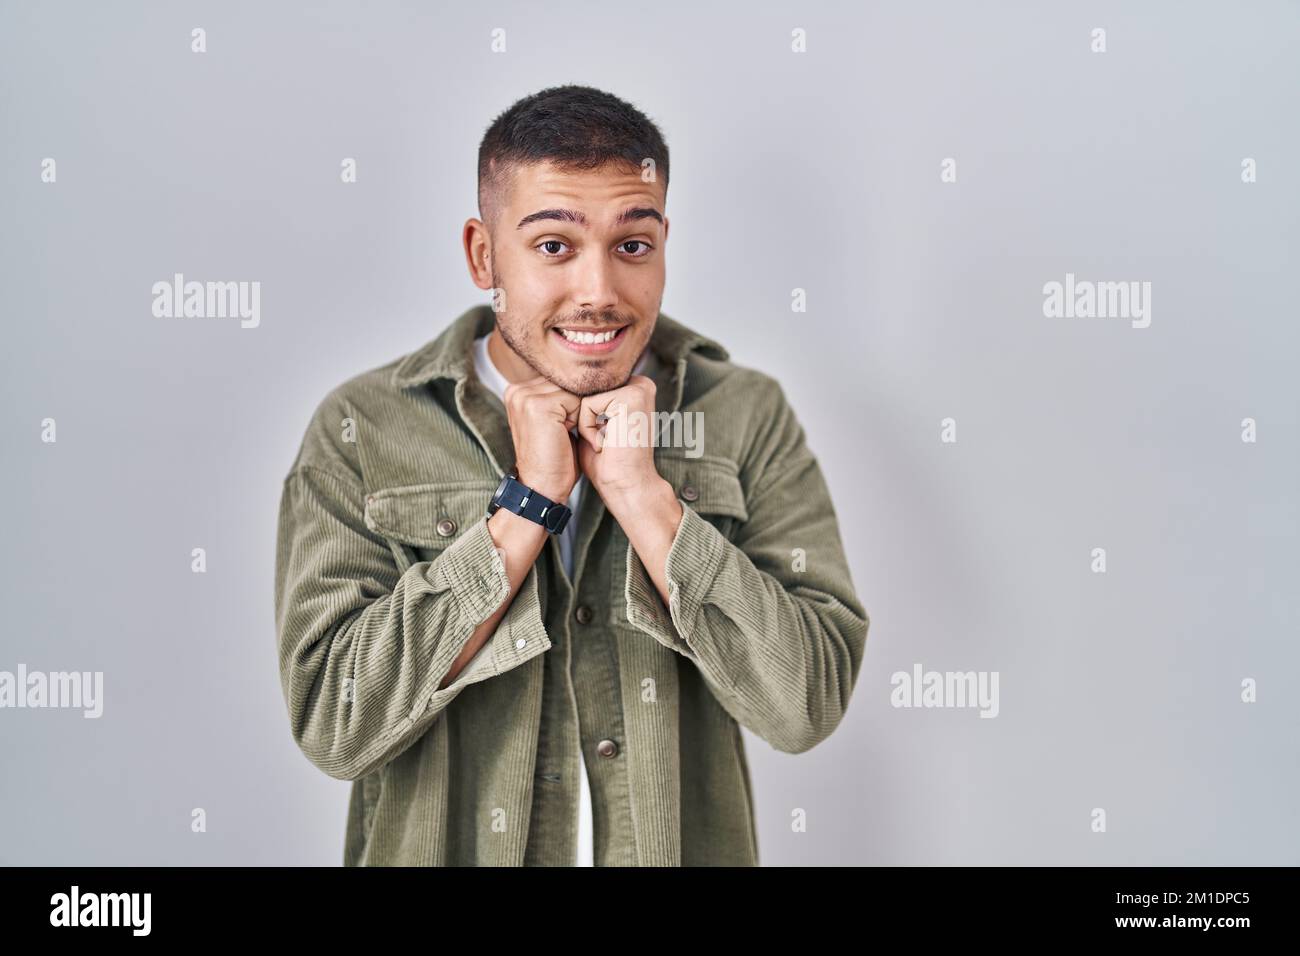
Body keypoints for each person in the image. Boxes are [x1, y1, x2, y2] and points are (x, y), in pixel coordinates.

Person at [274, 84, 869, 866]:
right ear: (484, 255)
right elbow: (337, 723)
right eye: (554, 245)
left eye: (633, 245)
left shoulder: (743, 413)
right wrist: (526, 508)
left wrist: (643, 497)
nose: (599, 293)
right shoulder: (364, 426)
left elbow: (806, 704)